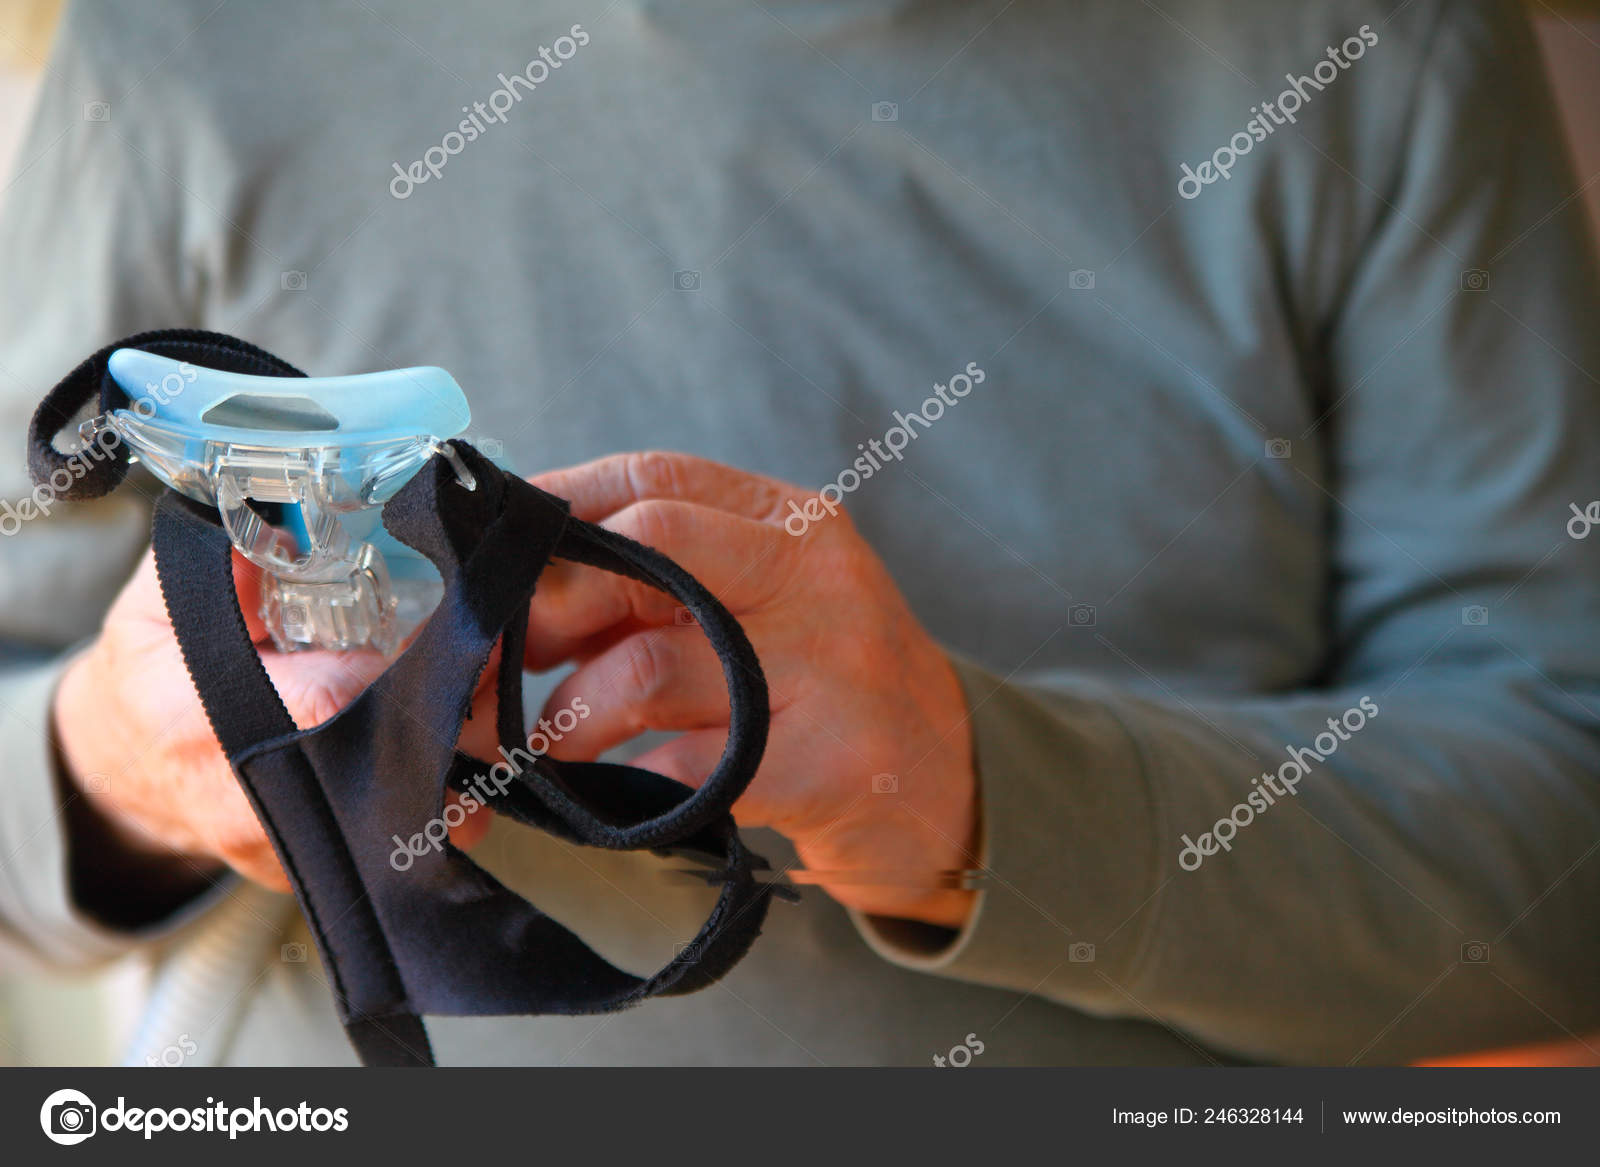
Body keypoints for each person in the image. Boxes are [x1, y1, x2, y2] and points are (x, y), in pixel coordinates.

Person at [0, 0, 1596, 1066]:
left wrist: (974, 789)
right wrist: (112, 765)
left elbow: (1564, 829)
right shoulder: (178, 48)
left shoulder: (1374, 50)